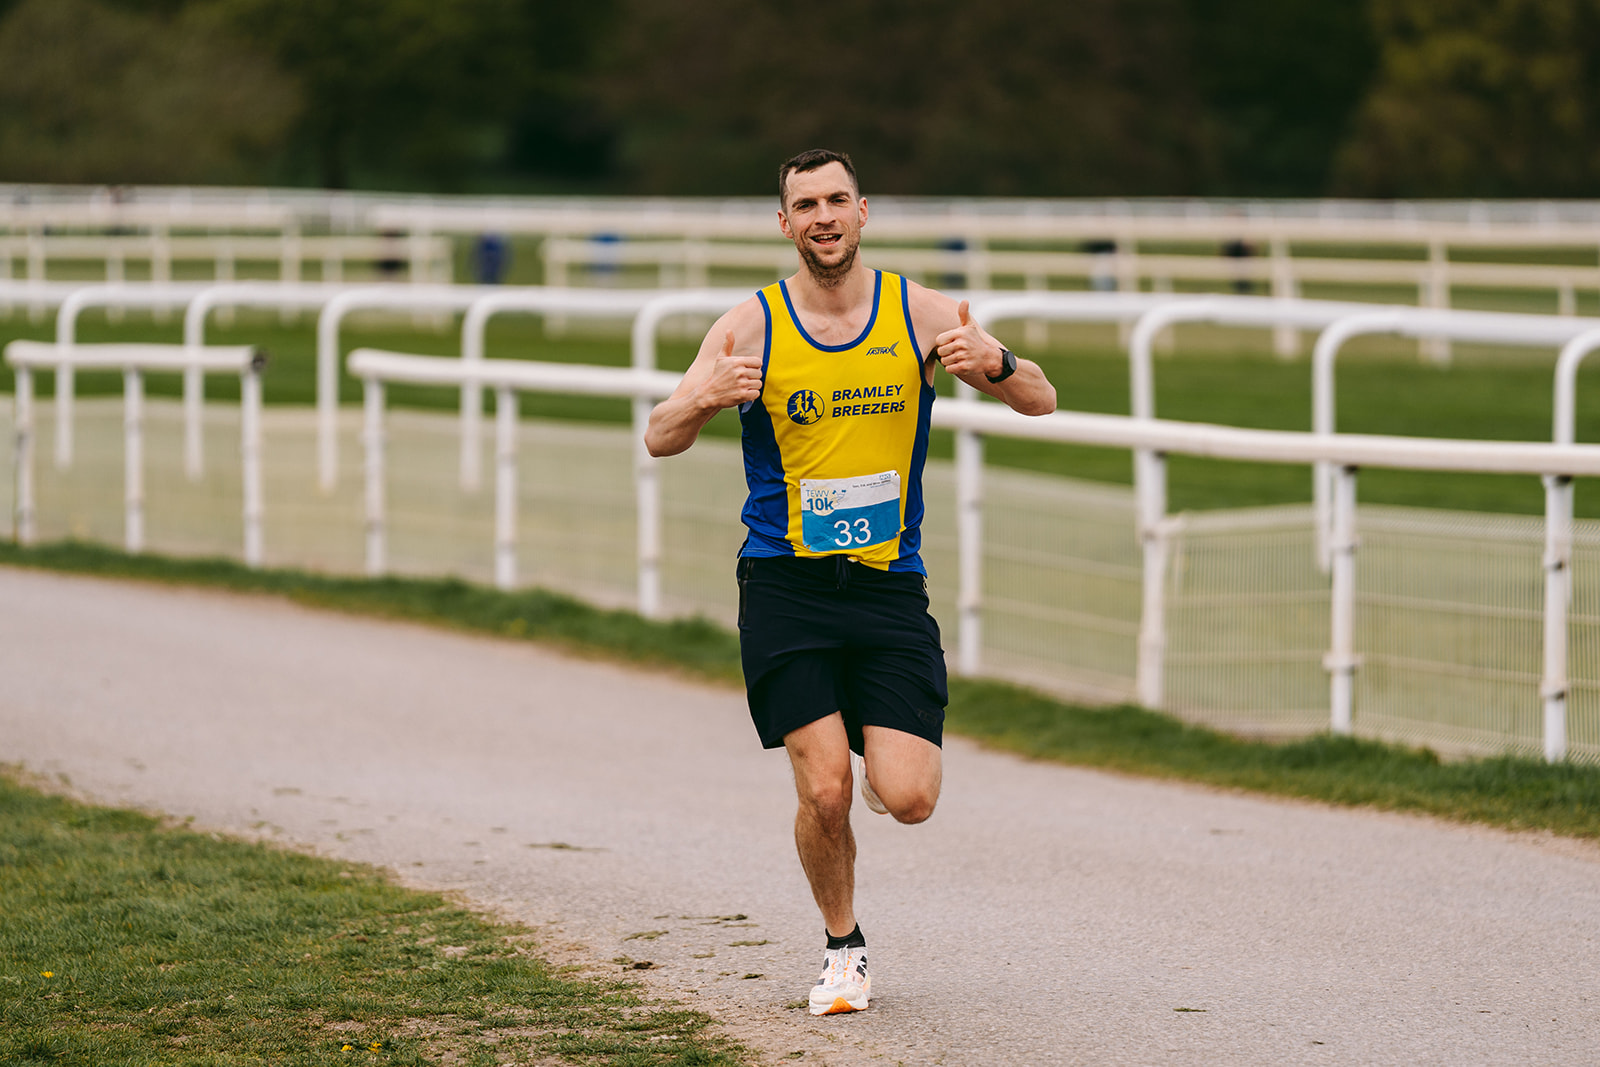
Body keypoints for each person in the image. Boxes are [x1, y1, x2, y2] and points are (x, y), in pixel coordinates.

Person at [644, 149, 1056, 1016]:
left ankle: (877, 752)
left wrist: (995, 357)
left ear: (863, 211)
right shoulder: (747, 327)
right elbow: (659, 435)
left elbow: (1040, 398)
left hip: (887, 588)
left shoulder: (922, 312)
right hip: (785, 586)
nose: (823, 216)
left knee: (907, 797)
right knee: (824, 788)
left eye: (837, 199)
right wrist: (705, 397)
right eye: (805, 205)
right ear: (785, 224)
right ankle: (843, 947)